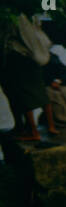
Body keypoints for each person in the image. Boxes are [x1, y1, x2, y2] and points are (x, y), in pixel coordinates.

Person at [1, 13, 51, 142]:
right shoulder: (30, 17)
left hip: (20, 57)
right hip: (32, 58)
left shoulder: (18, 17)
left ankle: (32, 131)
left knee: (22, 95)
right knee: (39, 94)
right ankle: (48, 127)